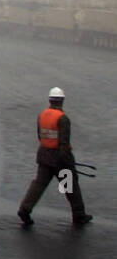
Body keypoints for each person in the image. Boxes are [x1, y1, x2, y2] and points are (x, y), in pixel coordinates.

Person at [18, 87, 91, 226]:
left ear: (50, 100)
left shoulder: (42, 115)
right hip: (60, 159)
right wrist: (67, 162)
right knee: (70, 186)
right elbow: (64, 143)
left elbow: (40, 136)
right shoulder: (62, 118)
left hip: (44, 155)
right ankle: (79, 215)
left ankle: (24, 210)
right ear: (62, 100)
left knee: (38, 185)